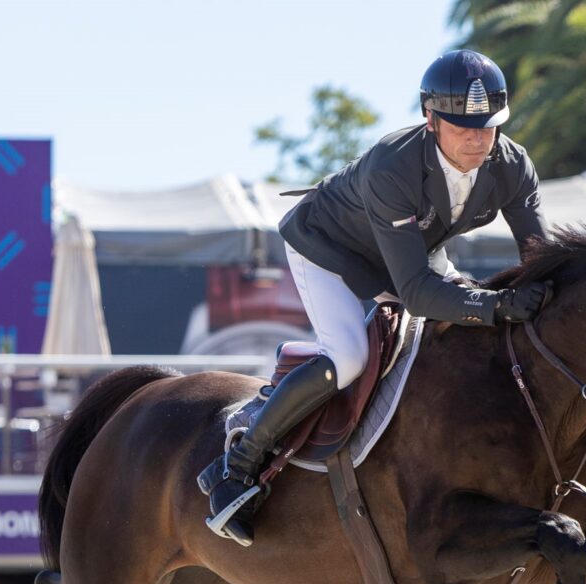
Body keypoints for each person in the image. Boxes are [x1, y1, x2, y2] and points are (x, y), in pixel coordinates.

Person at [198, 49, 554, 545]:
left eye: (488, 126)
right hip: (330, 247)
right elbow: (415, 293)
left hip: (412, 250)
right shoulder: (393, 165)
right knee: (348, 356)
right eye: (461, 126)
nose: (478, 139)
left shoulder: (512, 165)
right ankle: (239, 462)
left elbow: (544, 259)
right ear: (430, 119)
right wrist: (494, 306)